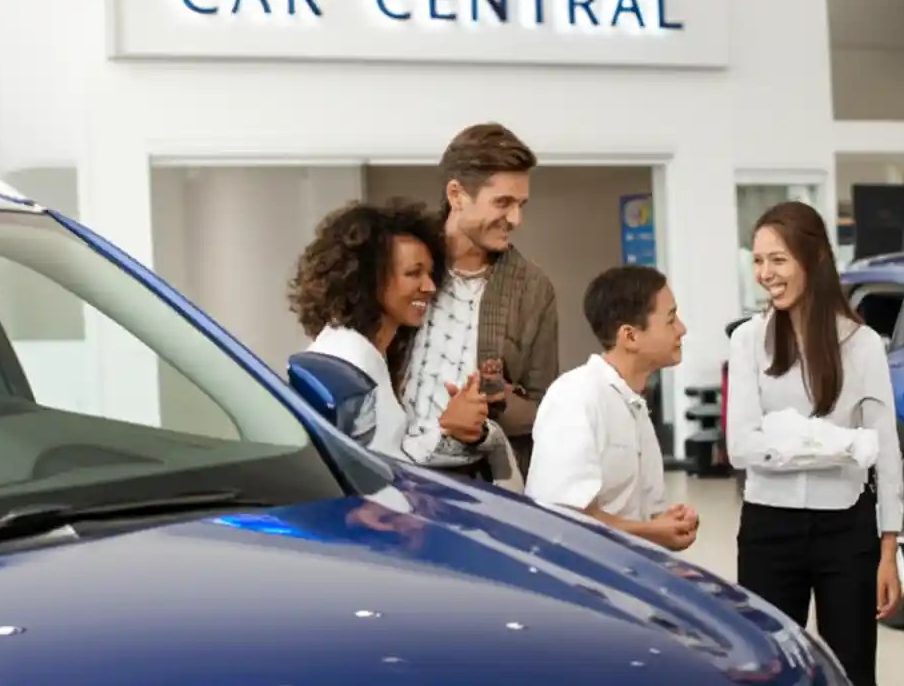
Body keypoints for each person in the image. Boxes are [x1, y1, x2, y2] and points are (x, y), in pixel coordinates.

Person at [726, 201, 903, 686]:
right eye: (758, 260)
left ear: (815, 258)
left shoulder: (862, 344)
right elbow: (741, 447)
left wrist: (889, 549)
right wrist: (844, 447)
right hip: (768, 526)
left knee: (851, 671)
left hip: (847, 530)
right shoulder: (748, 341)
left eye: (778, 259)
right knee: (770, 671)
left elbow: (884, 450)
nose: (765, 273)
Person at [287, 199, 520, 488]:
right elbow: (375, 475)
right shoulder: (348, 362)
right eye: (413, 273)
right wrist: (448, 430)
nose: (430, 287)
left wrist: (453, 430)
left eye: (430, 274)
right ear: (368, 279)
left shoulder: (370, 353)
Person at [399, 122, 559, 481]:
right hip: (385, 473)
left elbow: (546, 412)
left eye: (521, 204)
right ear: (456, 195)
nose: (516, 219)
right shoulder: (401, 264)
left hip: (476, 488)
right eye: (502, 202)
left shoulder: (533, 290)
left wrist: (497, 402)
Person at [524, 265, 699, 551]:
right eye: (670, 319)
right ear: (630, 336)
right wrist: (652, 531)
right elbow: (563, 518)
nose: (682, 329)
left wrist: (667, 524)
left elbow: (632, 513)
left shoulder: (633, 402)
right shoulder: (575, 396)